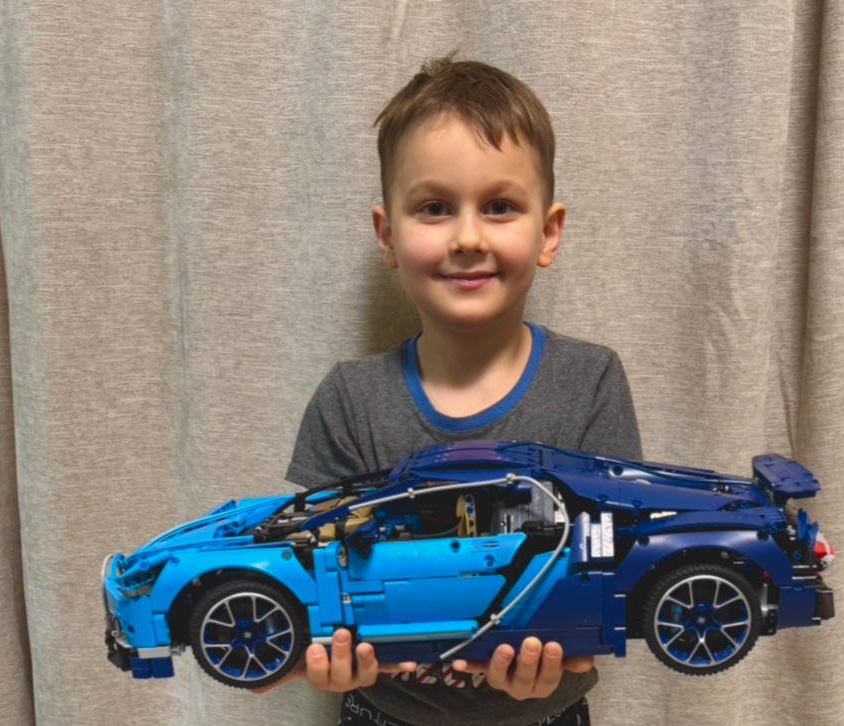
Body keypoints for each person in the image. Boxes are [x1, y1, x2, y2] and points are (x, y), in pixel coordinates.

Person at [265, 56, 642, 726]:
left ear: (548, 233)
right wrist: (305, 652)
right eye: (435, 208)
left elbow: (613, 556)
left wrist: (577, 645)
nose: (468, 237)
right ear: (388, 236)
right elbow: (313, 566)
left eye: (500, 207)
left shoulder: (591, 382)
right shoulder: (350, 400)